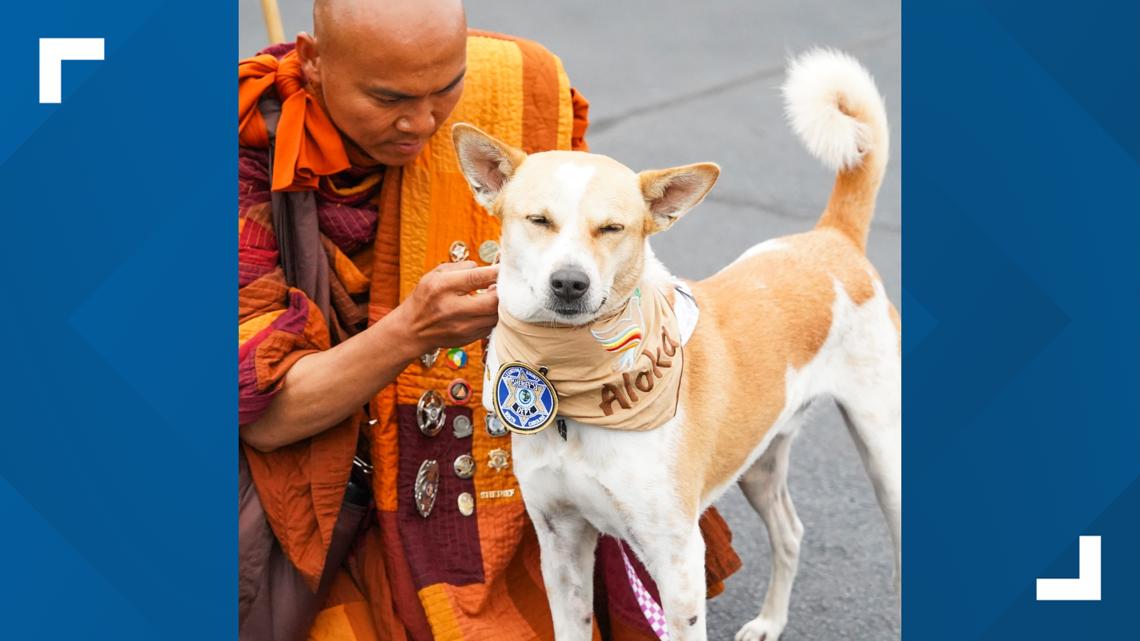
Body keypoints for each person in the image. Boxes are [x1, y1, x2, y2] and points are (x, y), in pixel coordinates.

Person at [237, 1, 740, 639]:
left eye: (446, 88)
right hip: (340, 452)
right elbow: (267, 418)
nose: (422, 122)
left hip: (543, 412)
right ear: (312, 61)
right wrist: (409, 332)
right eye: (389, 98)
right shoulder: (243, 155)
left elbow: (597, 243)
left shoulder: (517, 83)